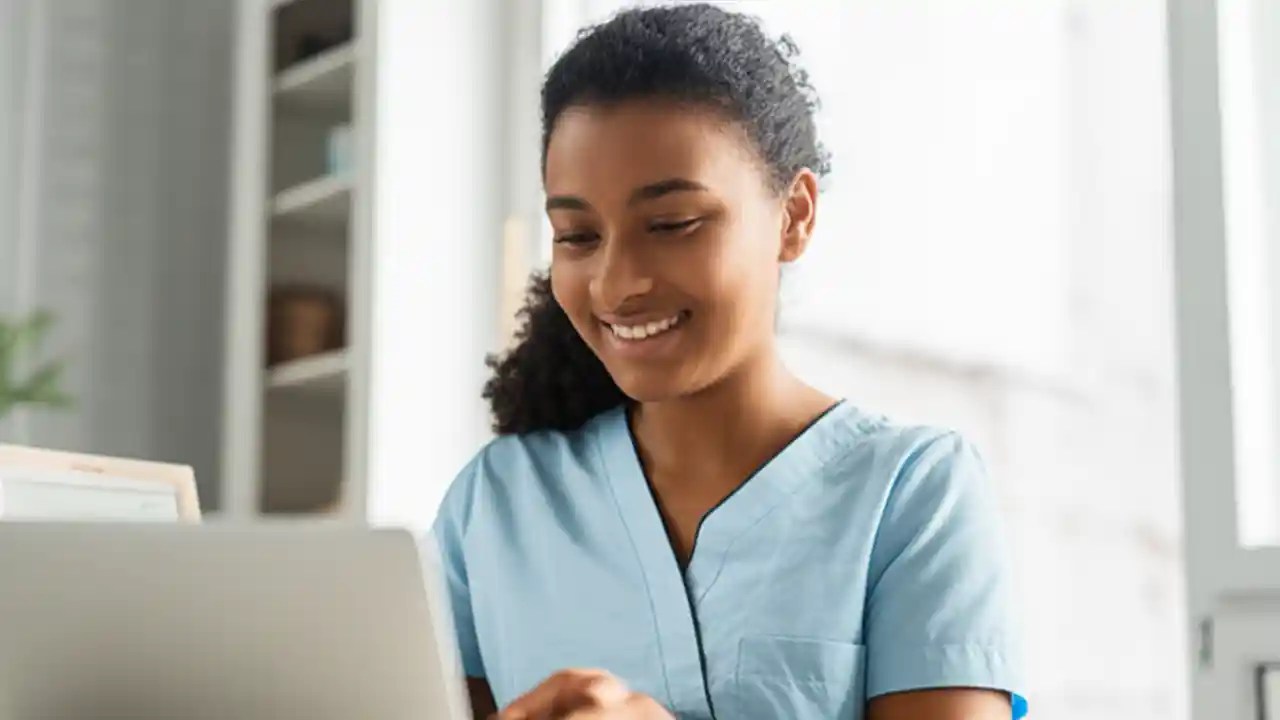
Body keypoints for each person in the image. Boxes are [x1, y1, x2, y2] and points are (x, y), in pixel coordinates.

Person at [432, 4, 1027, 719]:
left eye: (673, 225)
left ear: (795, 215)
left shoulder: (912, 496)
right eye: (578, 235)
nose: (617, 284)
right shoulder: (494, 505)